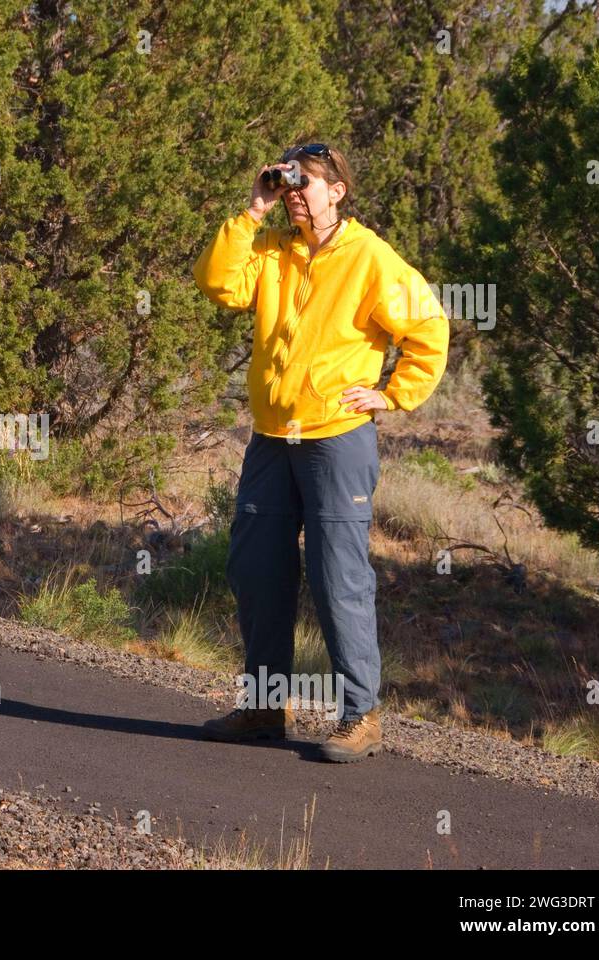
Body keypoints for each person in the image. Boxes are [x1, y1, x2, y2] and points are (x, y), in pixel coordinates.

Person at [191, 142, 449, 762]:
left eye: (307, 184)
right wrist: (255, 210)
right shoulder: (272, 250)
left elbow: (429, 328)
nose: (297, 194)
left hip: (336, 438)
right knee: (256, 572)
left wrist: (393, 395)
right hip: (274, 438)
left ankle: (360, 716)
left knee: (339, 579)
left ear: (338, 191)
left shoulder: (369, 257)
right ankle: (263, 706)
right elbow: (218, 285)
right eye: (289, 183)